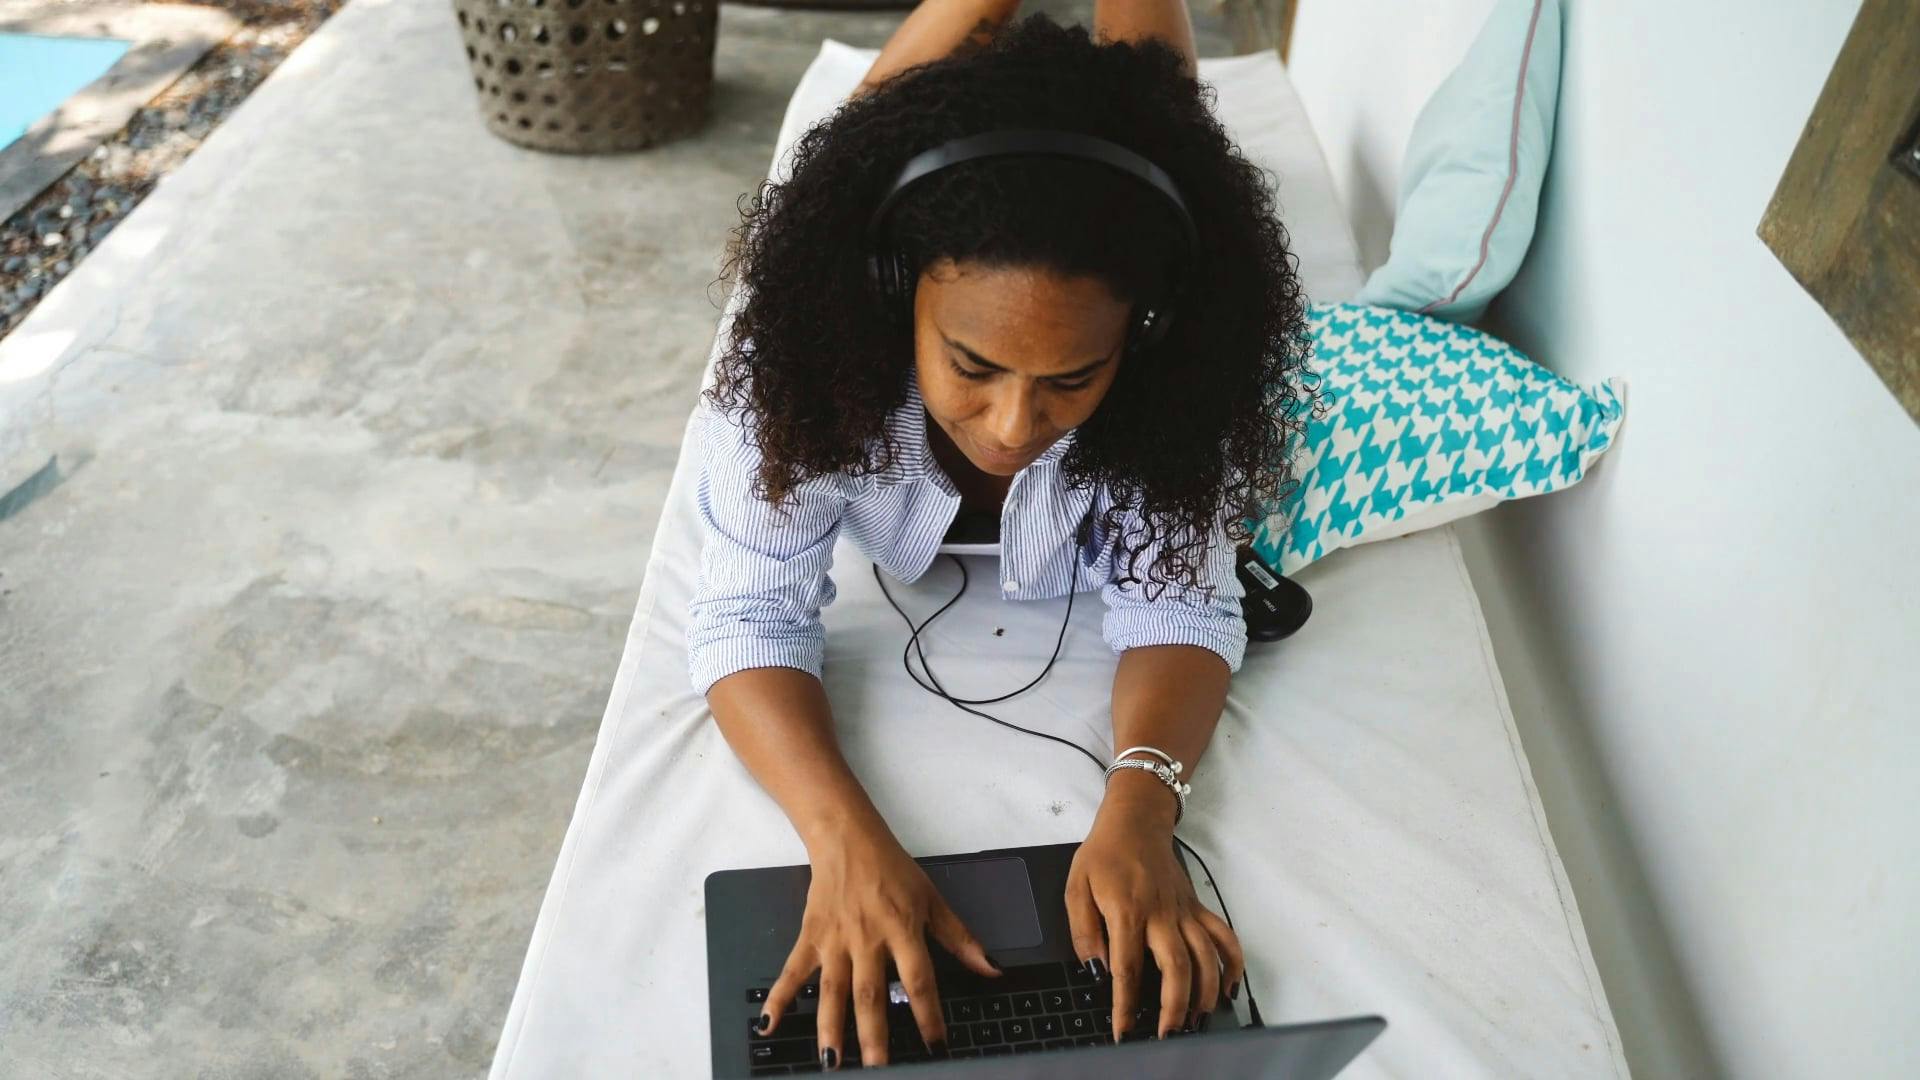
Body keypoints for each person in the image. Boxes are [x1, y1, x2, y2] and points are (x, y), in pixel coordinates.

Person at [689, 0, 1314, 1069]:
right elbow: (746, 613)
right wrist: (842, 843)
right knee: (852, 137)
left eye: (1072, 376)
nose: (1015, 427)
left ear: (1143, 335)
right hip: (854, 265)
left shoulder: (1175, 385)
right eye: (972, 367)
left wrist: (1142, 806)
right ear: (896, 297)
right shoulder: (794, 372)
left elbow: (1184, 601)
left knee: (1164, 116)